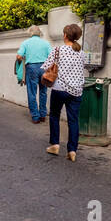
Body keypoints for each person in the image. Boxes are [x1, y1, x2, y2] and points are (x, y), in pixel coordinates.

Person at [43, 23, 87, 161]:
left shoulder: (58, 50)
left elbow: (46, 66)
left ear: (65, 35)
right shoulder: (81, 53)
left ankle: (55, 145)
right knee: (73, 120)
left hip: (59, 88)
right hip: (77, 90)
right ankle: (72, 151)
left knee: (54, 115)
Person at [17, 25, 51, 124]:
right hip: (44, 68)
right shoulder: (46, 43)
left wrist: (23, 57)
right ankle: (43, 115)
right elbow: (51, 56)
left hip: (31, 68)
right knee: (43, 91)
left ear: (30, 33)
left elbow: (19, 56)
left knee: (32, 92)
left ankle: (35, 116)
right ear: (39, 33)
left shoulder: (26, 43)